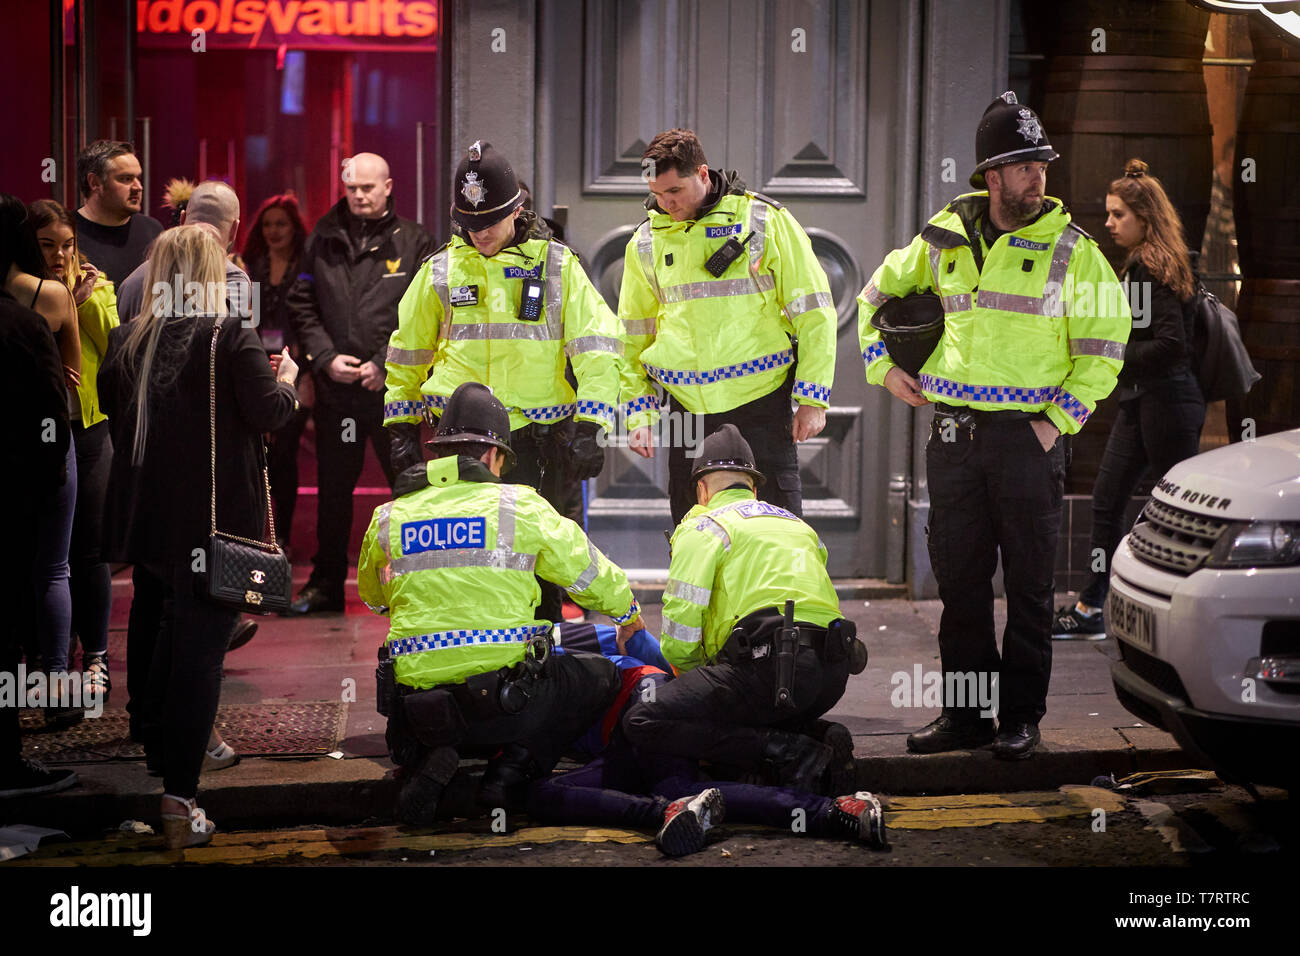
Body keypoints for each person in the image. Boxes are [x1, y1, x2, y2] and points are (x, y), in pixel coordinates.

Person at [857, 92, 1130, 760]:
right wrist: (882, 370)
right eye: (1023, 165)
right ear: (991, 174)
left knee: (1031, 589)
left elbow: (1107, 344)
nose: (1037, 176)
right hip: (953, 440)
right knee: (962, 589)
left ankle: (1021, 717)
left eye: (1042, 164)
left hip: (1027, 442)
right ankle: (968, 716)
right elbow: (873, 299)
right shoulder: (941, 237)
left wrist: (1057, 423)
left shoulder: (1073, 251)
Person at [358, 382, 643, 825]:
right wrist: (628, 615)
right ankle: (508, 775)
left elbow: (373, 599)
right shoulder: (519, 506)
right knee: (596, 677)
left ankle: (433, 758)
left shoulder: (391, 515)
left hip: (417, 710)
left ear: (438, 453)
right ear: (493, 455)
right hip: (502, 704)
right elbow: (589, 572)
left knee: (439, 696)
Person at [99, 225, 298, 847]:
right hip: (214, 526)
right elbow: (269, 415)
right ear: (212, 274)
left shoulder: (127, 339)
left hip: (152, 525)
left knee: (164, 635)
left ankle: (161, 756)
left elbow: (116, 412)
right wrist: (288, 380)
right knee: (198, 659)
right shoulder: (228, 334)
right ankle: (180, 801)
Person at [385, 142, 620, 621]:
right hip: (460, 445)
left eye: (489, 223)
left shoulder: (557, 266)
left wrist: (594, 424)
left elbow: (598, 348)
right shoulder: (441, 269)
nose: (480, 236)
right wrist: (401, 425)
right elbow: (407, 353)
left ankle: (540, 670)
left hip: (537, 442)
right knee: (465, 560)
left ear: (517, 210)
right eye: (469, 226)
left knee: (540, 563)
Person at [621, 425, 858, 793]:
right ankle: (820, 735)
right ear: (753, 487)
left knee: (644, 719)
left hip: (767, 668)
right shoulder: (796, 525)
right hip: (832, 674)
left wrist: (690, 675)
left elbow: (681, 627)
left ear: (701, 489)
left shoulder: (703, 525)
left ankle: (787, 751)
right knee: (753, 702)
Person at [618, 128, 837, 525]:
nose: (665, 204)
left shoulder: (764, 221)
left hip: (761, 405)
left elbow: (815, 311)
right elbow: (633, 336)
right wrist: (639, 414)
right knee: (695, 535)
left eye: (675, 191)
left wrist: (812, 398)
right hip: (687, 412)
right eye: (658, 193)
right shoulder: (646, 242)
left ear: (702, 173)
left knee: (777, 531)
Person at [527, 621, 887, 857]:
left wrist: (680, 699)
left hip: (645, 696)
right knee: (541, 794)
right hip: (622, 744)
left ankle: (668, 808)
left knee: (675, 785)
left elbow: (638, 641)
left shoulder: (539, 638)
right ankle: (834, 803)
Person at [1054, 159, 1206, 638]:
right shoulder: (1153, 262)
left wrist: (1112, 353)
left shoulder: (1149, 266)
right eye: (1108, 213)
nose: (1108, 223)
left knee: (1180, 513)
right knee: (1108, 501)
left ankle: (1185, 612)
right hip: (1147, 404)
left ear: (1145, 217)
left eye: (1118, 214)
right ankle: (1092, 607)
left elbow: (1171, 345)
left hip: (1167, 405)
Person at [288, 152, 435, 615]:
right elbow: (301, 301)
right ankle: (327, 584)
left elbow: (429, 313)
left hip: (394, 391)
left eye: (368, 188)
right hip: (338, 390)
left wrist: (383, 363)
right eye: (351, 188)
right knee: (333, 494)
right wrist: (325, 359)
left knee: (410, 488)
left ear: (388, 187)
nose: (359, 196)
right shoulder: (323, 238)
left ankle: (420, 585)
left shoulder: (414, 242)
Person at [30, 199, 120, 704]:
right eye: (48, 245)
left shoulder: (96, 284)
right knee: (47, 554)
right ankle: (49, 662)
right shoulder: (23, 290)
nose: (60, 254)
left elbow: (115, 349)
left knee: (90, 549)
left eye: (66, 244)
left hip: (88, 429)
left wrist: (81, 303)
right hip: (39, 431)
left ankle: (97, 660)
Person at [1, 194, 81, 723]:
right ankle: (53, 689)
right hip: (42, 445)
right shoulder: (48, 297)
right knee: (53, 567)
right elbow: (72, 378)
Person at [0, 289, 79, 798]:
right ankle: (49, 699)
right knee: (45, 578)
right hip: (17, 494)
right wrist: (48, 483)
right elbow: (59, 398)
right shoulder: (26, 318)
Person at [242, 192, 311, 552]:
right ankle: (256, 531)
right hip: (253, 363)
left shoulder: (306, 261)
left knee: (284, 453)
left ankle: (280, 532)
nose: (273, 230)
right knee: (260, 452)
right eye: (267, 224)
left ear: (294, 227)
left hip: (296, 364)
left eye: (280, 223)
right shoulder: (251, 264)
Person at [116, 180, 250, 325]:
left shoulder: (132, 282)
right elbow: (231, 342)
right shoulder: (235, 280)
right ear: (234, 229)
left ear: (182, 218)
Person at [73, 140, 164, 289]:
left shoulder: (153, 230)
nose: (138, 187)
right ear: (95, 182)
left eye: (137, 178)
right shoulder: (68, 235)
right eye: (126, 179)